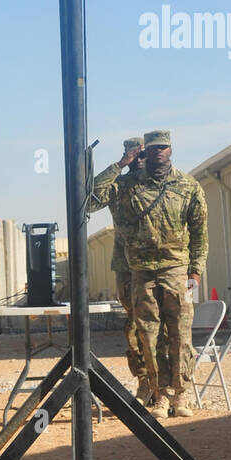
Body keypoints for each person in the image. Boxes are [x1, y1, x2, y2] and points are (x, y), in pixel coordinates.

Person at [109, 130, 207, 419]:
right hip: (142, 273)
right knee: (149, 337)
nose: (158, 153)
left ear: (171, 150)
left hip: (177, 270)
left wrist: (196, 271)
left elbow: (200, 234)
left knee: (180, 335)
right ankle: (159, 394)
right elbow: (94, 195)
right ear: (144, 153)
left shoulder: (188, 186)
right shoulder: (129, 186)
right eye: (152, 149)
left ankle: (181, 395)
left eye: (163, 148)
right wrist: (120, 164)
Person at [89, 137, 152, 403]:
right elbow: (91, 198)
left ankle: (166, 386)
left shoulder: (161, 184)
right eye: (133, 155)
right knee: (135, 326)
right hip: (127, 267)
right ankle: (144, 380)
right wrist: (119, 165)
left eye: (142, 154)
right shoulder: (119, 186)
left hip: (157, 266)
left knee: (161, 327)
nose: (138, 159)